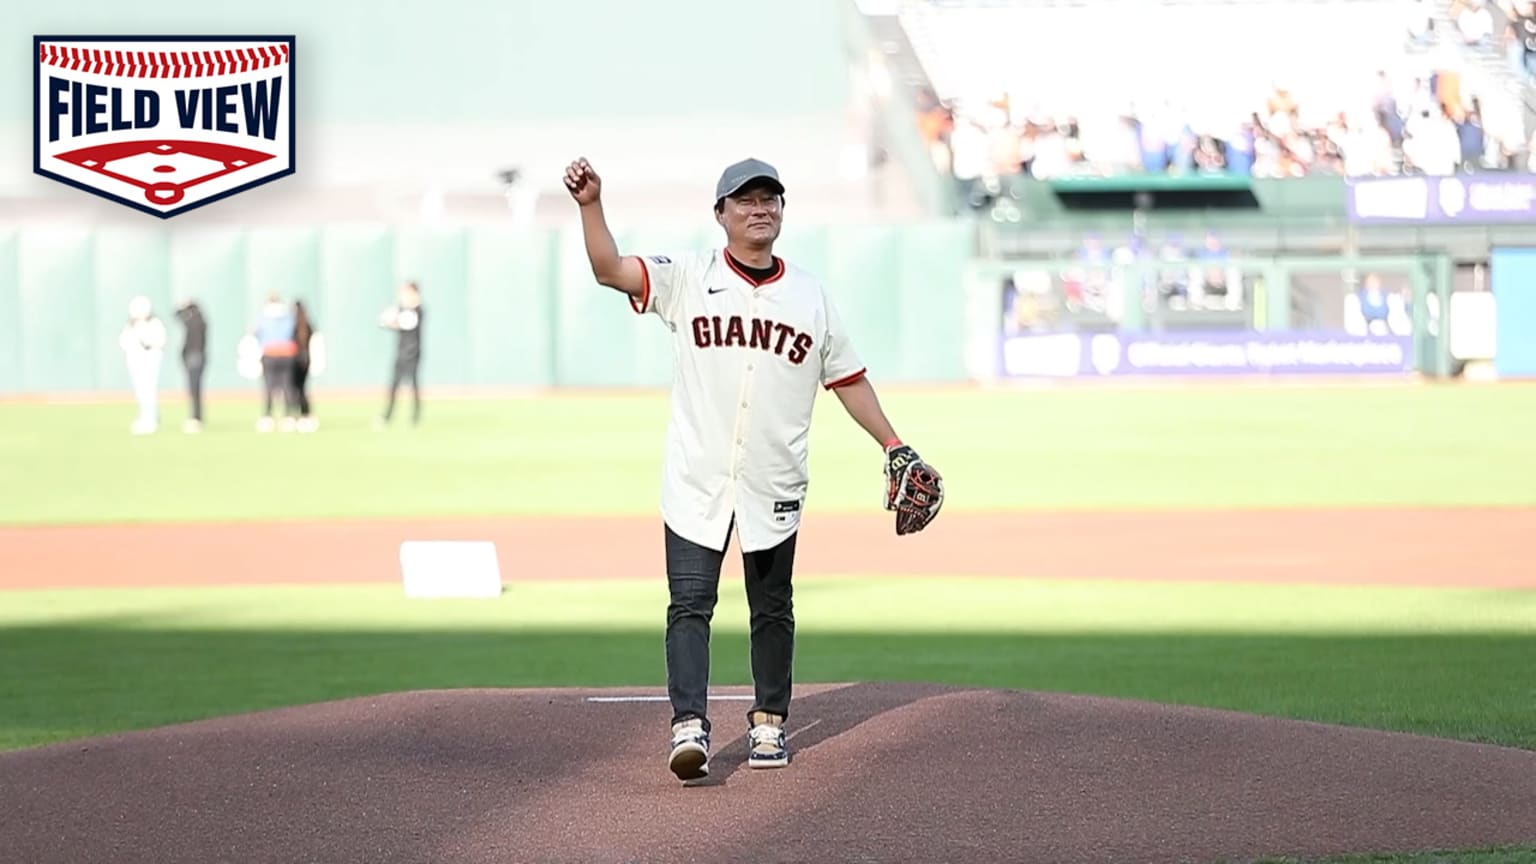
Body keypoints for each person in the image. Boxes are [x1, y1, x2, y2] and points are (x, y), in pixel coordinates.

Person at [563, 155, 942, 783]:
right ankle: (689, 725)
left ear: (782, 213)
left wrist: (893, 444)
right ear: (721, 215)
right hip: (697, 476)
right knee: (689, 604)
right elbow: (609, 269)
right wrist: (590, 205)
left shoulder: (811, 296)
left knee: (773, 608)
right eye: (746, 200)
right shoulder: (687, 277)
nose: (760, 209)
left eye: (770, 200)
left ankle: (769, 720)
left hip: (773, 478)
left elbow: (848, 379)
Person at [118, 295, 167, 435]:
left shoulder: (155, 324)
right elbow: (124, 342)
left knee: (149, 389)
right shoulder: (130, 326)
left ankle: (151, 418)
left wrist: (147, 342)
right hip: (134, 360)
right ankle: (144, 417)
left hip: (150, 359)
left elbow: (160, 341)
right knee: (140, 391)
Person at [377, 281, 423, 427]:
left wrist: (394, 320)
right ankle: (388, 415)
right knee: (394, 385)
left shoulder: (419, 310)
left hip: (413, 353)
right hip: (401, 352)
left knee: (413, 385)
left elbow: (406, 322)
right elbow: (385, 320)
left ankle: (415, 416)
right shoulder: (401, 309)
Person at [253, 293, 301, 432]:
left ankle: (268, 417)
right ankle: (288, 416)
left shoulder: (263, 317)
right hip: (287, 353)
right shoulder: (288, 317)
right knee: (287, 386)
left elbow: (256, 333)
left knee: (269, 387)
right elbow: (294, 332)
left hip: (270, 353)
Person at [174, 298, 207, 433]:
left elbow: (176, 314)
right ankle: (196, 416)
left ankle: (196, 417)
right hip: (196, 356)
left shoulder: (195, 321)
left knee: (194, 388)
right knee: (195, 389)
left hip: (195, 356)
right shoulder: (201, 320)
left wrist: (183, 307)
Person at [292, 300, 320, 433]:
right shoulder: (308, 325)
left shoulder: (293, 325)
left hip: (295, 361)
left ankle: (297, 416)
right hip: (306, 360)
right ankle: (306, 415)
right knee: (302, 390)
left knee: (296, 390)